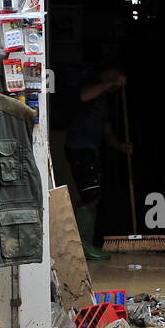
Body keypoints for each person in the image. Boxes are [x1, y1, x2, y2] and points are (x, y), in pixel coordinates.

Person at [65, 65, 132, 260]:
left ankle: (84, 244)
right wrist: (110, 82)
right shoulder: (90, 86)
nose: (116, 85)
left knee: (92, 195)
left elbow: (108, 132)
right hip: (79, 147)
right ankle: (82, 246)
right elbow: (84, 96)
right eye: (113, 78)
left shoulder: (105, 103)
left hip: (90, 149)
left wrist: (121, 146)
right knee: (90, 196)